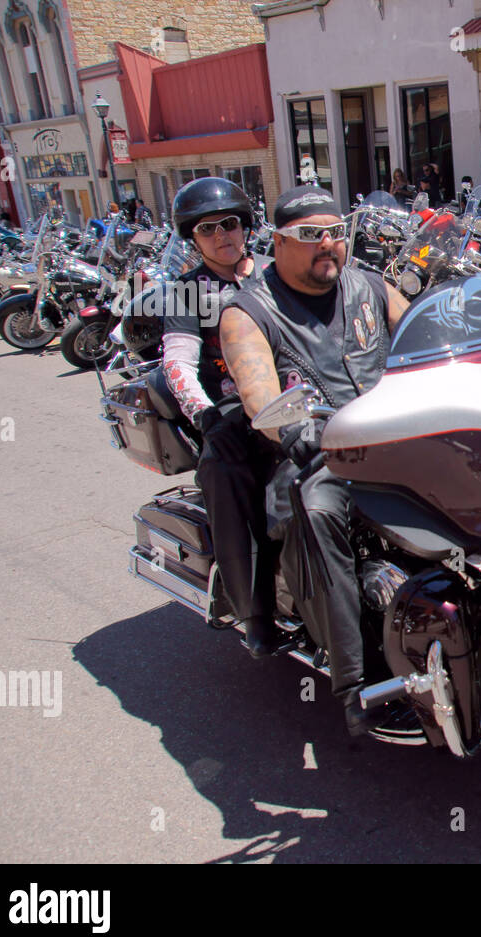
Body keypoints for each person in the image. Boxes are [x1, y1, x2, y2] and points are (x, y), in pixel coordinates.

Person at [219, 184, 411, 735]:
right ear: (278, 242)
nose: (327, 243)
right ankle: (356, 685)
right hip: (316, 457)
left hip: (396, 439)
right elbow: (262, 401)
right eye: (310, 235)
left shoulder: (371, 287)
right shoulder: (249, 311)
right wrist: (297, 429)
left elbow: (427, 332)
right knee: (321, 509)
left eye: (335, 232)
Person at [159, 177, 283, 657]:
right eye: (207, 229)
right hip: (233, 411)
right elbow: (177, 363)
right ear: (193, 238)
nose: (220, 235)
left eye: (229, 223)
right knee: (225, 469)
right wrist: (206, 416)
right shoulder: (185, 293)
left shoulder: (278, 274)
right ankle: (255, 613)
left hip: (297, 392)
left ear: (245, 226)